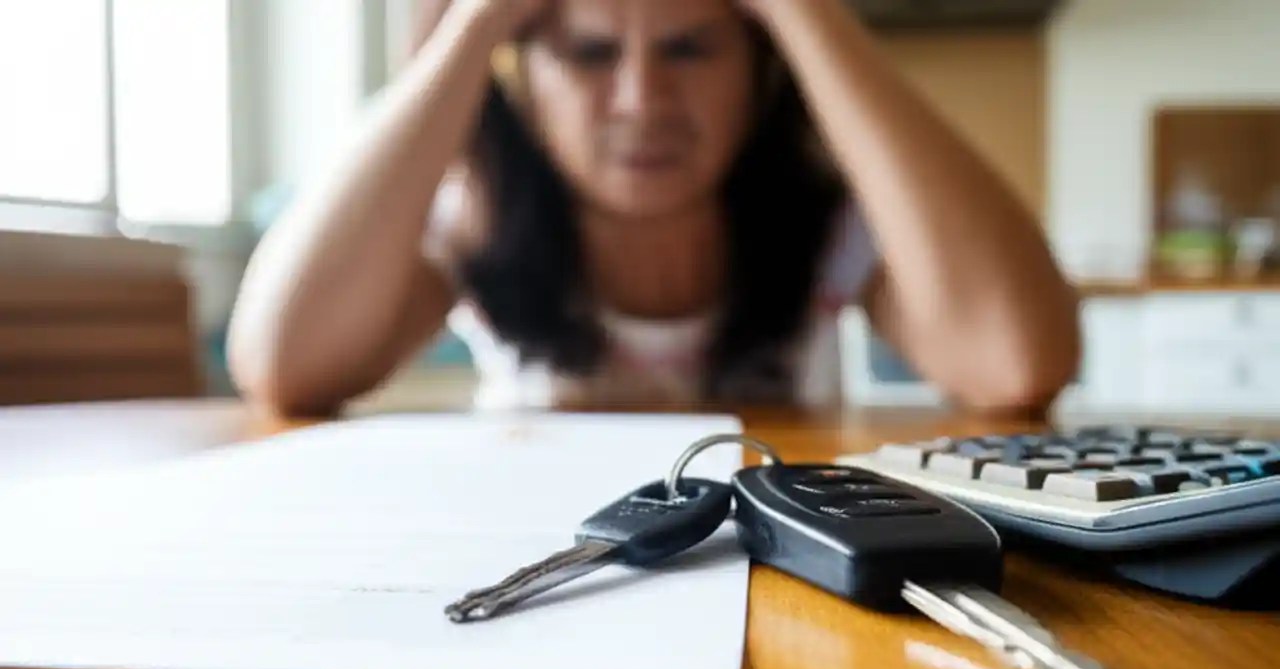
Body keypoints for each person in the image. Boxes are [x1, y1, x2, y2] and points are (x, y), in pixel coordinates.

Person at [226, 0, 1081, 416]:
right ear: (527, 83)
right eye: (591, 53)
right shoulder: (474, 226)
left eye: (690, 47)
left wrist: (804, 13)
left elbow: (1015, 365)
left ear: (758, 68)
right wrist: (471, 28)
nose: (641, 100)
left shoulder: (827, 227)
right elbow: (283, 365)